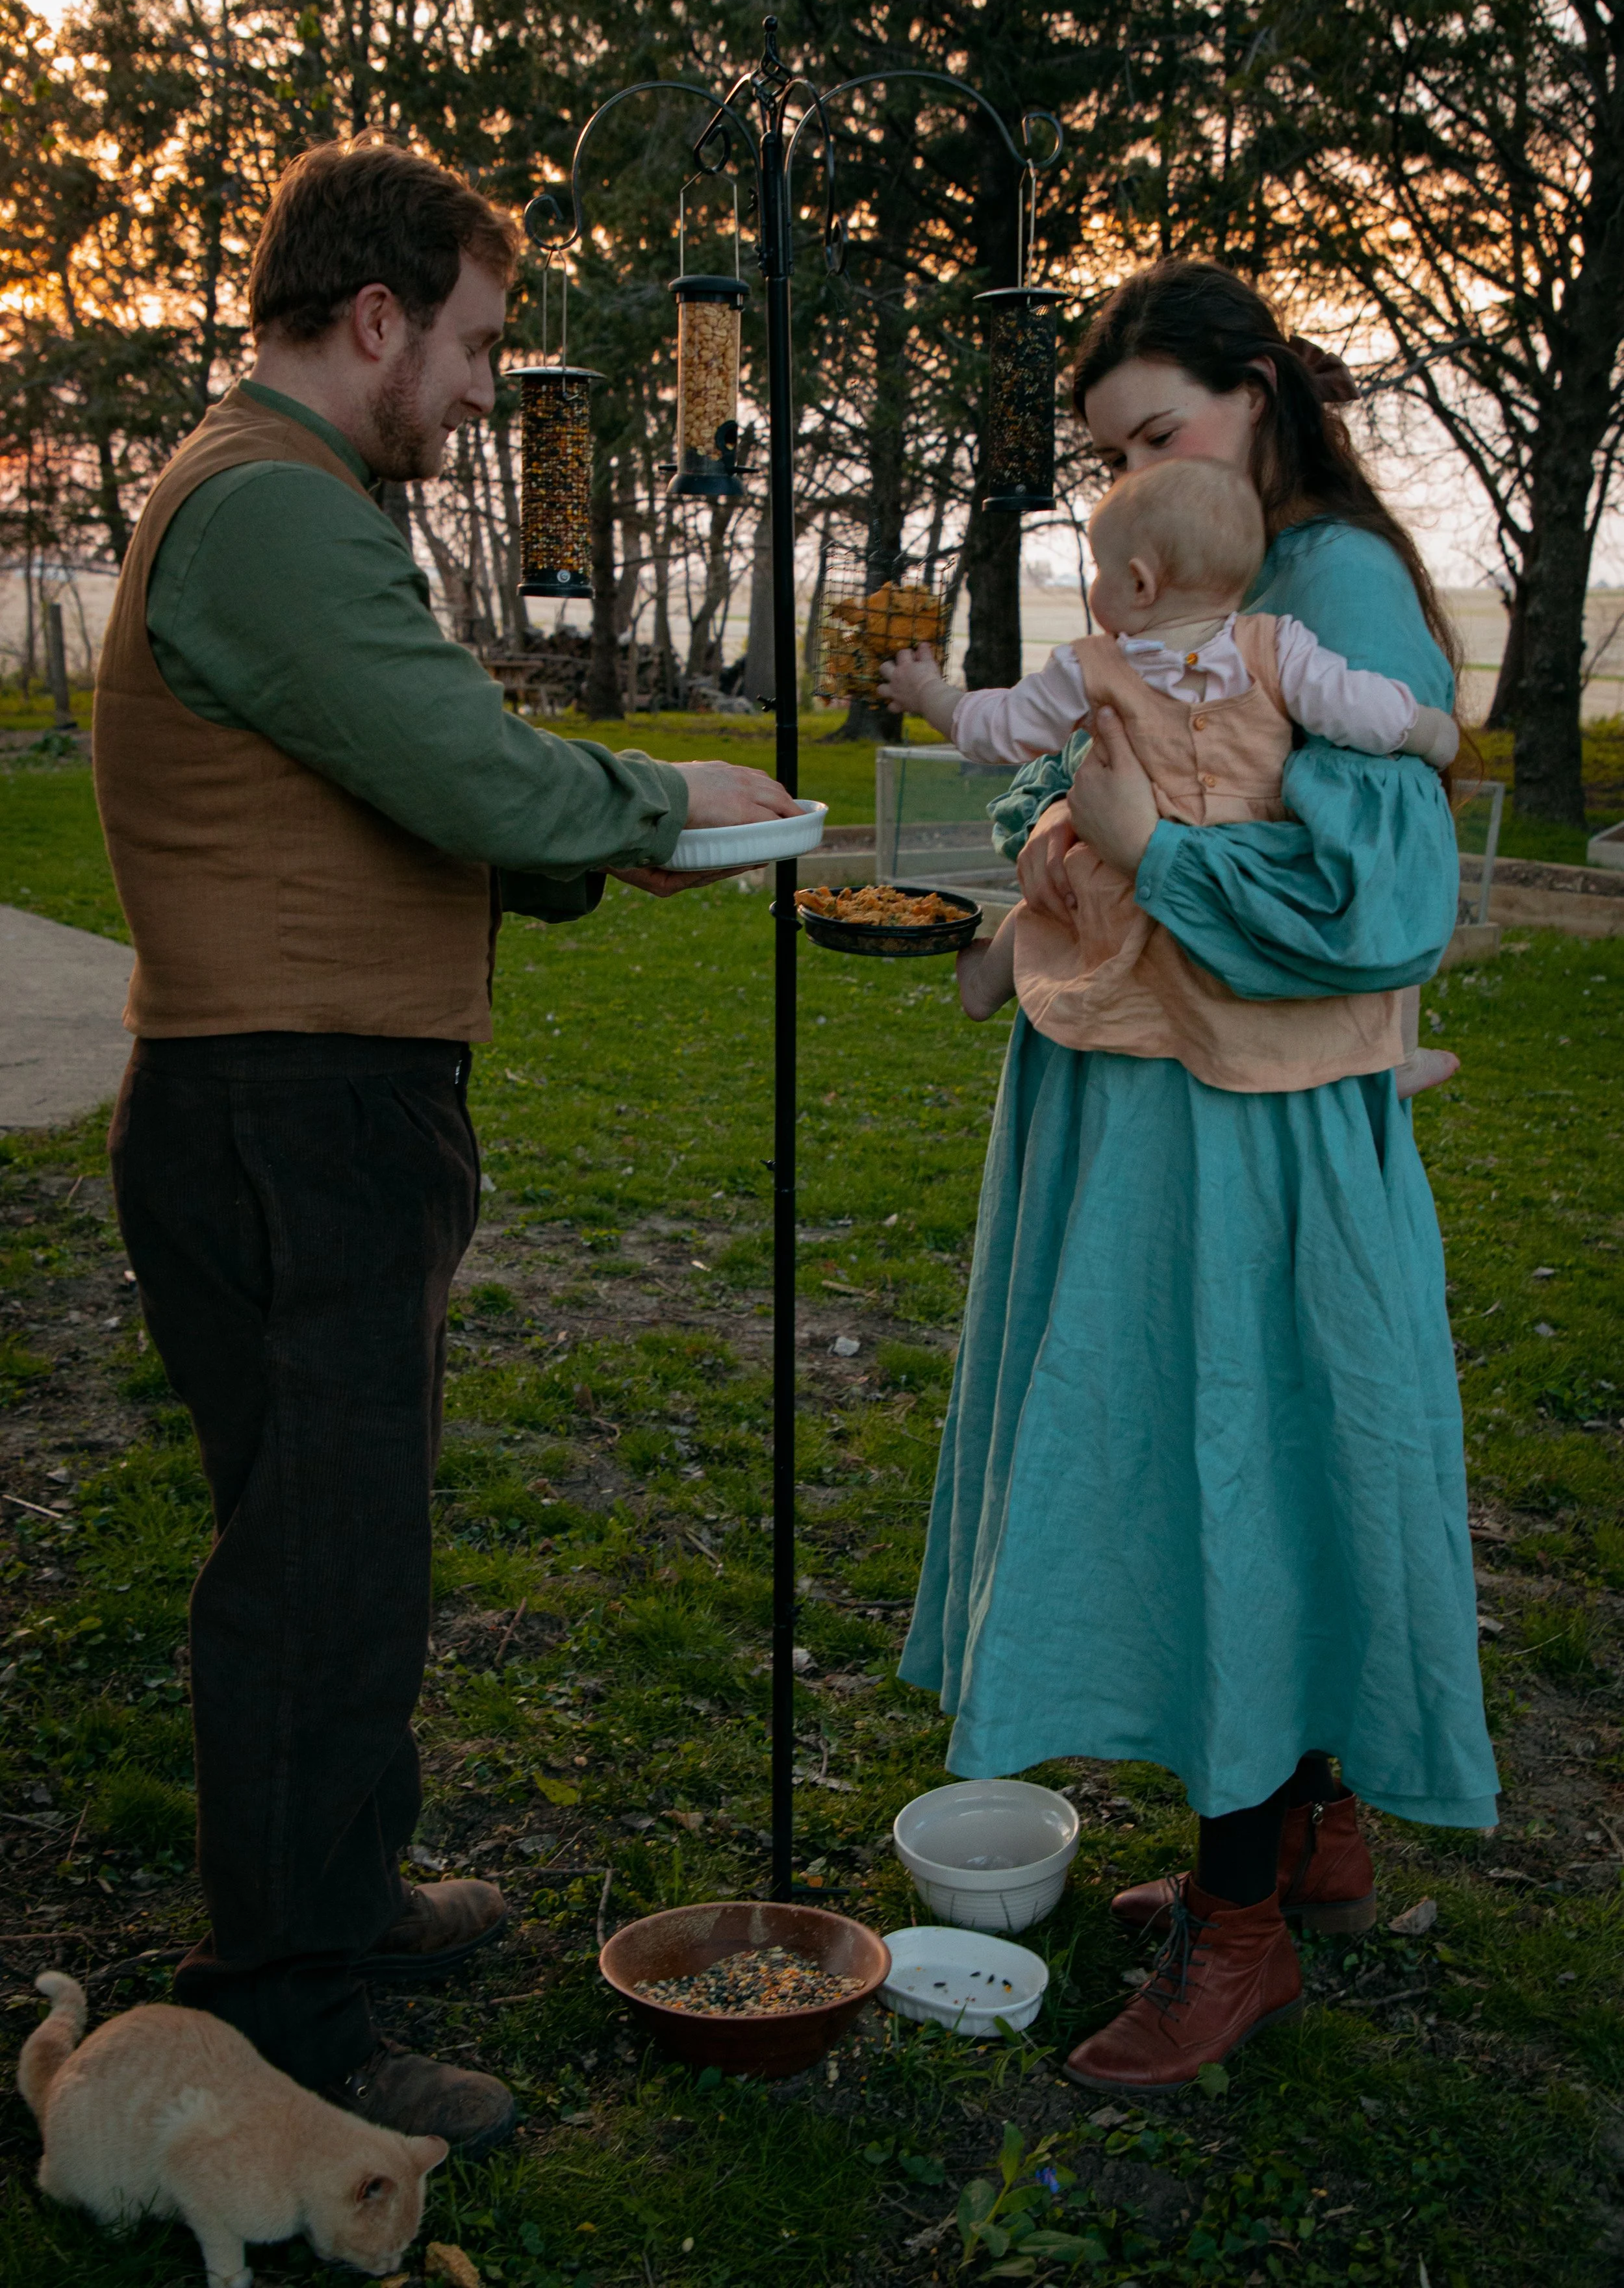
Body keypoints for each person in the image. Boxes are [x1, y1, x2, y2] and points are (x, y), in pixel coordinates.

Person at [94, 136, 800, 2153]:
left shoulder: (273, 496)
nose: (490, 392)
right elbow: (448, 755)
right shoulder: (268, 507)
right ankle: (290, 2019)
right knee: (318, 1578)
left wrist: (573, 856)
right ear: (378, 315)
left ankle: (344, 1895)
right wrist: (661, 804)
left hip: (306, 1104)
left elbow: (390, 772)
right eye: (480, 346)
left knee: (345, 1544)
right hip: (287, 1115)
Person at [895, 258, 1498, 2094]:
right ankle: (1301, 1838)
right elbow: (1080, 759)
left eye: (1162, 431)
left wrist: (1155, 860)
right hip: (1148, 1099)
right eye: (1110, 455)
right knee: (1232, 1460)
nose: (1138, 483)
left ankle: (1232, 1932)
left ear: (1258, 394)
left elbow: (1376, 904)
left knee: (1238, 1472)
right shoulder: (1206, 591)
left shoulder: (1325, 590)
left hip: (1243, 1132)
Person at [883, 459, 1460, 1103]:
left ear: (1138, 582)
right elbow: (1361, 709)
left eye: (1099, 568)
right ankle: (1380, 1058)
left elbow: (994, 728)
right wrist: (1431, 732)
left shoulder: (1088, 667)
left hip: (1125, 880)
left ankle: (989, 979)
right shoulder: (1279, 647)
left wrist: (928, 692)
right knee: (1297, 972)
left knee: (1059, 897)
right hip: (1242, 873)